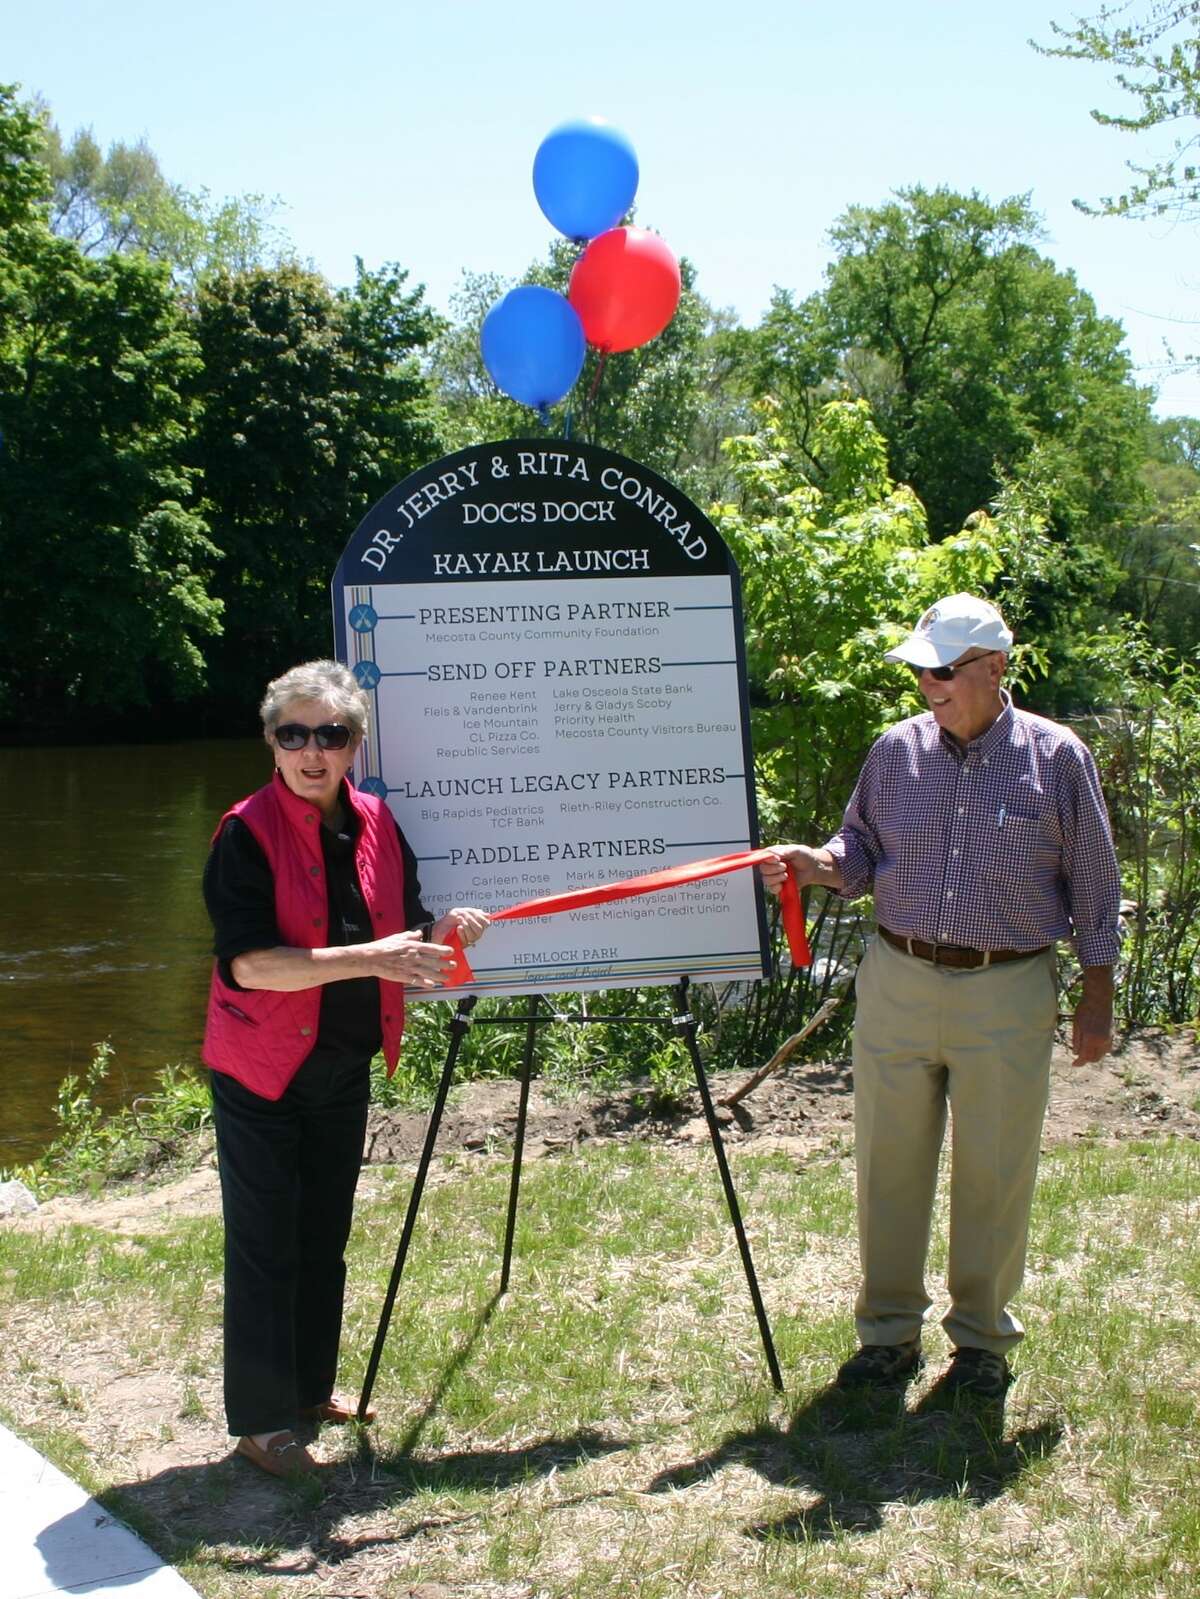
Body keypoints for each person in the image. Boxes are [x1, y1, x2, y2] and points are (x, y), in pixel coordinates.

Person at [760, 594, 1120, 1399]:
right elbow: (861, 847)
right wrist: (816, 861)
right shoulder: (896, 753)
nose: (928, 685)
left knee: (995, 1168)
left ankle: (983, 1343)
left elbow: (1096, 882)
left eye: (943, 670)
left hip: (1008, 983)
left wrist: (1097, 995)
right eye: (921, 670)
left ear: (995, 667)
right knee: (888, 1161)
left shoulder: (1058, 758)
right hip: (899, 978)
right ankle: (888, 1334)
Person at [202, 659, 490, 1477]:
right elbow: (250, 966)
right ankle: (260, 1424)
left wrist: (446, 927)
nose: (312, 751)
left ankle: (306, 1392)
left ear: (355, 742)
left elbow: (403, 923)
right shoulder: (243, 831)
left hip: (342, 1065)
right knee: (264, 1242)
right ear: (271, 741)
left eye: (330, 734)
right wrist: (375, 956)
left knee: (322, 1233)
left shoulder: (375, 820)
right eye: (294, 734)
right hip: (261, 1070)